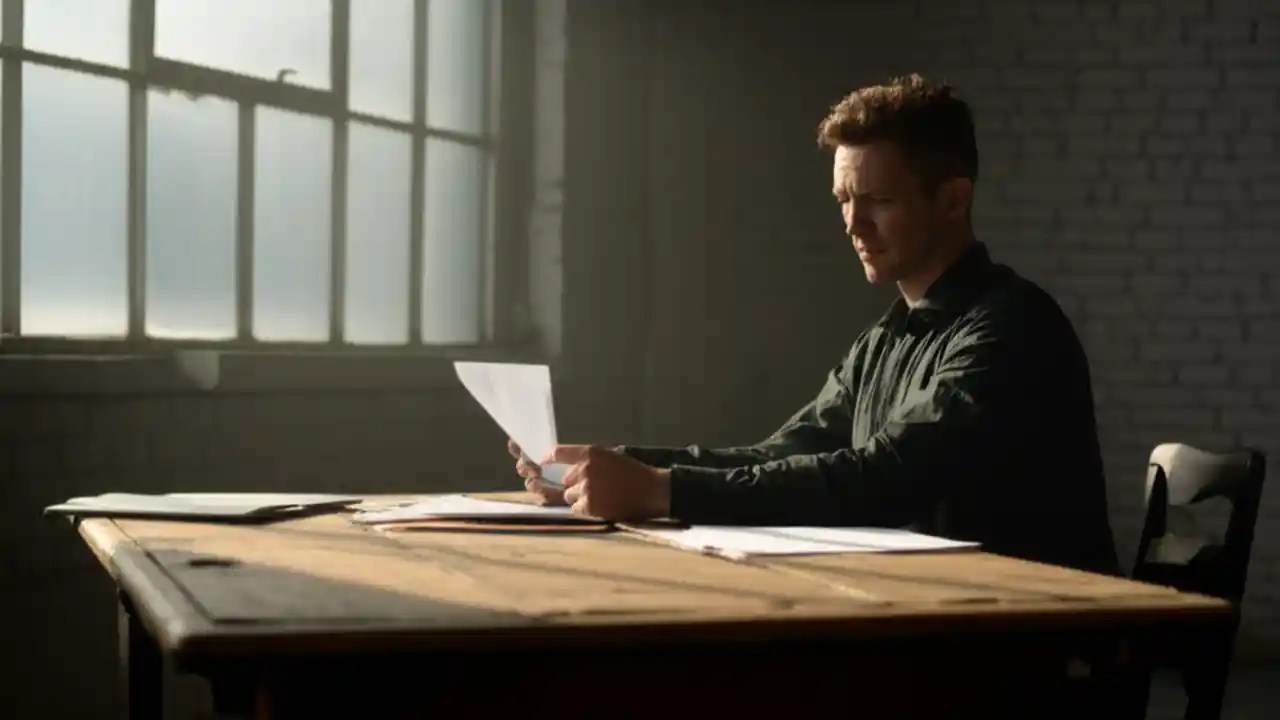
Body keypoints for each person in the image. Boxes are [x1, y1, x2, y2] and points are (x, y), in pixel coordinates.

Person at [510, 73, 1119, 576]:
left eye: (878, 200)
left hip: (1038, 651)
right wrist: (611, 466)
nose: (854, 226)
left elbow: (887, 478)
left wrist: (660, 489)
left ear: (953, 201)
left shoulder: (1011, 328)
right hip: (942, 625)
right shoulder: (884, 340)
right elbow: (783, 454)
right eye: (843, 201)